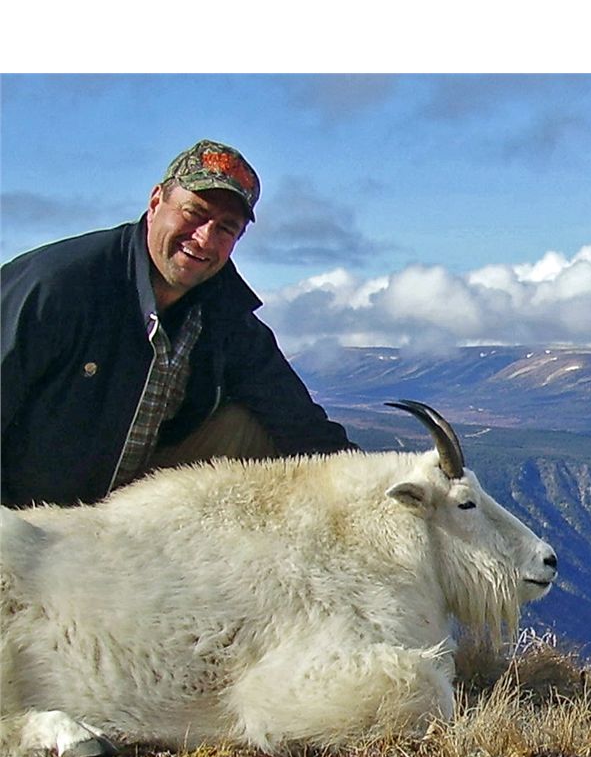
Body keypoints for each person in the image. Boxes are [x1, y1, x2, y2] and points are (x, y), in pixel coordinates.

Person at [2, 139, 355, 509]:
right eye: (194, 213)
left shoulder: (226, 315)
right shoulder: (57, 287)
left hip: (122, 514)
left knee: (255, 431)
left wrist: (377, 487)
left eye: (225, 228)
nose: (203, 238)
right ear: (156, 202)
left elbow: (300, 423)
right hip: (27, 517)